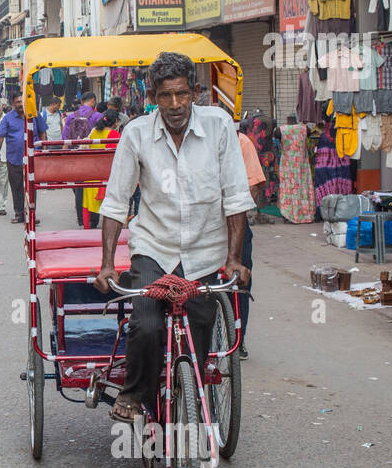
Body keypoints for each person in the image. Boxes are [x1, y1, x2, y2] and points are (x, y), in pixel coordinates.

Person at [93, 52, 254, 423]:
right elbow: (116, 203)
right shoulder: (136, 133)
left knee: (199, 330)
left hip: (205, 251)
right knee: (146, 324)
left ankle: (189, 401)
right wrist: (106, 266)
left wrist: (234, 258)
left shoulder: (219, 127)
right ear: (153, 96)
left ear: (195, 92)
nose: (175, 104)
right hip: (155, 248)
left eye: (182, 94)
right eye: (165, 96)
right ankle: (134, 396)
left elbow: (236, 196)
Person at [235, 117, 267, 360]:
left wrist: (241, 214)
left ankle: (239, 339)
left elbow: (255, 183)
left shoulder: (241, 142)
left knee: (241, 283)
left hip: (235, 224)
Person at [0, 98, 46, 224]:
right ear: (13, 104)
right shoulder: (8, 118)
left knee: (31, 187)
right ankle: (19, 213)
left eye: (22, 102)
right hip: (14, 158)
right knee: (16, 187)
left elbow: (43, 133)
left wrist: (44, 151)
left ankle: (31, 213)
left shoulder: (35, 114)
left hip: (33, 158)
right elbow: (0, 137)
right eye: (17, 102)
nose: (20, 104)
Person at [82, 109, 122, 228]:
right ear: (115, 121)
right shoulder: (115, 135)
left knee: (87, 204)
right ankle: (107, 229)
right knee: (107, 205)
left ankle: (86, 228)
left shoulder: (94, 131)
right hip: (106, 174)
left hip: (91, 173)